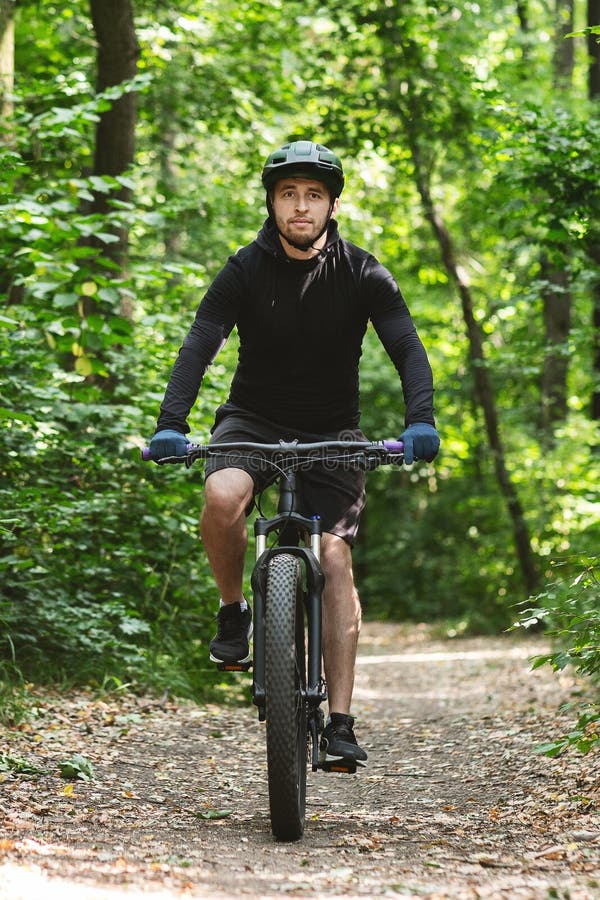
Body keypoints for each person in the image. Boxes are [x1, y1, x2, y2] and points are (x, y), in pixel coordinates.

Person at [148, 140, 439, 768]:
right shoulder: (245, 269)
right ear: (273, 204)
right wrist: (172, 423)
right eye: (288, 195)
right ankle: (233, 613)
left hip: (333, 429)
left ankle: (339, 722)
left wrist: (421, 421)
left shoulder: (363, 273)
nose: (300, 207)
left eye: (312, 195)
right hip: (252, 420)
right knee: (222, 495)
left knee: (333, 558)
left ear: (331, 204)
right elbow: (201, 341)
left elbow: (408, 349)